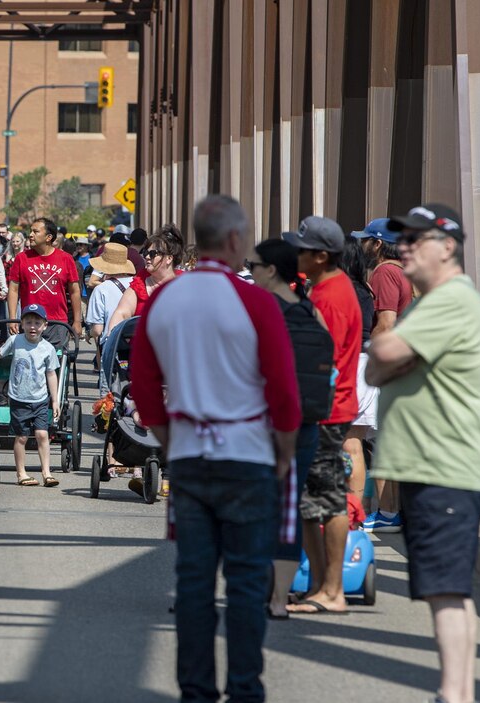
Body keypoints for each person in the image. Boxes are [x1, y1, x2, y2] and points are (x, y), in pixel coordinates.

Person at [129, 195, 300, 702]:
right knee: (248, 583)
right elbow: (284, 392)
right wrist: (284, 453)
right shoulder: (256, 302)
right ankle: (246, 689)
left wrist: (169, 439)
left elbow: (143, 386)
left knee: (195, 584)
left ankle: (196, 691)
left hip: (188, 458)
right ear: (232, 241)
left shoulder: (162, 301)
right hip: (247, 456)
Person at [366, 204, 480, 703]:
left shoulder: (449, 300)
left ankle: (454, 694)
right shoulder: (434, 302)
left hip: (444, 467)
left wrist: (393, 354)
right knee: (447, 590)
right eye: (402, 239)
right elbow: (379, 368)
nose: (404, 248)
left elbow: (383, 355)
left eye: (416, 240)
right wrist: (392, 356)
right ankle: (455, 692)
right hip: (435, 466)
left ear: (447, 246)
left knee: (445, 591)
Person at [283, 216, 361, 616]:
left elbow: (316, 359)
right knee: (308, 501)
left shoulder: (331, 297)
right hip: (320, 409)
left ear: (320, 255)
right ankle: (318, 584)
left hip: (327, 412)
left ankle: (333, 590)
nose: (295, 253)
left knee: (327, 499)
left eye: (301, 247)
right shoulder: (324, 288)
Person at [249, 239, 330, 620]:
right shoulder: (311, 310)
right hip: (306, 424)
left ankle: (250, 586)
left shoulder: (260, 309)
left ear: (269, 269)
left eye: (254, 265)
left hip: (263, 423)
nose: (250, 271)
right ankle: (280, 599)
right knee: (289, 508)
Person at [353, 217, 413, 531]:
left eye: (365, 239)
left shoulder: (385, 273)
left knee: (377, 439)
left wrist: (367, 350)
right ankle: (392, 510)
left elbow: (386, 322)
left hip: (386, 365)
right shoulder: (405, 272)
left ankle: (388, 512)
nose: (360, 245)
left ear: (377, 244)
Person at [0, 304, 60, 488]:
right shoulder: (15, 341)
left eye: (37, 323)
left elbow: (51, 374)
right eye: (28, 322)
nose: (33, 326)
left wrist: (55, 400)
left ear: (44, 326)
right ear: (22, 324)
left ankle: (46, 472)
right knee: (21, 437)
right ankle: (21, 473)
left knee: (42, 434)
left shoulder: (47, 348)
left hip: (39, 398)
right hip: (19, 398)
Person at [339, 236, 376, 506]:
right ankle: (357, 510)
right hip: (365, 365)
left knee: (349, 445)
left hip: (350, 365)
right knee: (356, 445)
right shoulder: (365, 290)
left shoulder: (344, 290)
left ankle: (350, 511)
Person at [6, 217, 82, 347]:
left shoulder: (66, 259)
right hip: (30, 322)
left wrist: (77, 321)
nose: (30, 235)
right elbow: (13, 290)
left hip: (58, 323)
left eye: (35, 232)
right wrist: (12, 318)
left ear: (48, 237)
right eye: (31, 231)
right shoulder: (21, 259)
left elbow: (75, 291)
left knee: (57, 365)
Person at [105, 224, 184, 331]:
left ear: (169, 258)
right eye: (145, 252)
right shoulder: (140, 282)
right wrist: (111, 334)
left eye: (152, 254)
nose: (146, 257)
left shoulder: (185, 283)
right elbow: (122, 313)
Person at [84, 243, 136, 341]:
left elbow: (97, 330)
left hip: (112, 344)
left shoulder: (101, 289)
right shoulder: (138, 284)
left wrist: (89, 334)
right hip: (135, 343)